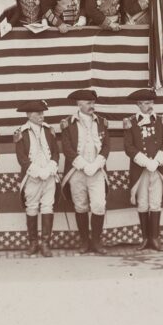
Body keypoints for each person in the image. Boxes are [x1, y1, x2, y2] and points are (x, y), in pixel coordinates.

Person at [60, 89, 111, 255]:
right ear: (79, 104)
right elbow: (67, 148)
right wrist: (83, 165)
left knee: (99, 205)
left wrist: (97, 163)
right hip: (77, 171)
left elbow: (106, 146)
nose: (92, 106)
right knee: (80, 205)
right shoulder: (68, 123)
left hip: (97, 170)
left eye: (93, 102)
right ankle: (84, 242)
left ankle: (96, 241)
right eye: (88, 103)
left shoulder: (102, 122)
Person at [122, 88, 163, 251]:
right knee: (143, 203)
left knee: (155, 203)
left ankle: (155, 238)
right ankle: (145, 239)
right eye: (145, 103)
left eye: (150, 103)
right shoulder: (130, 121)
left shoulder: (161, 120)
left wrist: (157, 161)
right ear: (139, 104)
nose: (149, 106)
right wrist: (144, 161)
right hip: (140, 169)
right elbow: (128, 147)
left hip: (157, 168)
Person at [12, 99, 60, 257]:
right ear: (29, 115)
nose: (42, 116)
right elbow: (22, 158)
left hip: (50, 175)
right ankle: (33, 242)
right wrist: (38, 171)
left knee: (48, 206)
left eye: (42, 113)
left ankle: (45, 243)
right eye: (38, 113)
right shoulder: (21, 132)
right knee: (31, 207)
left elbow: (55, 152)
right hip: (32, 177)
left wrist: (51, 167)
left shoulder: (48, 130)